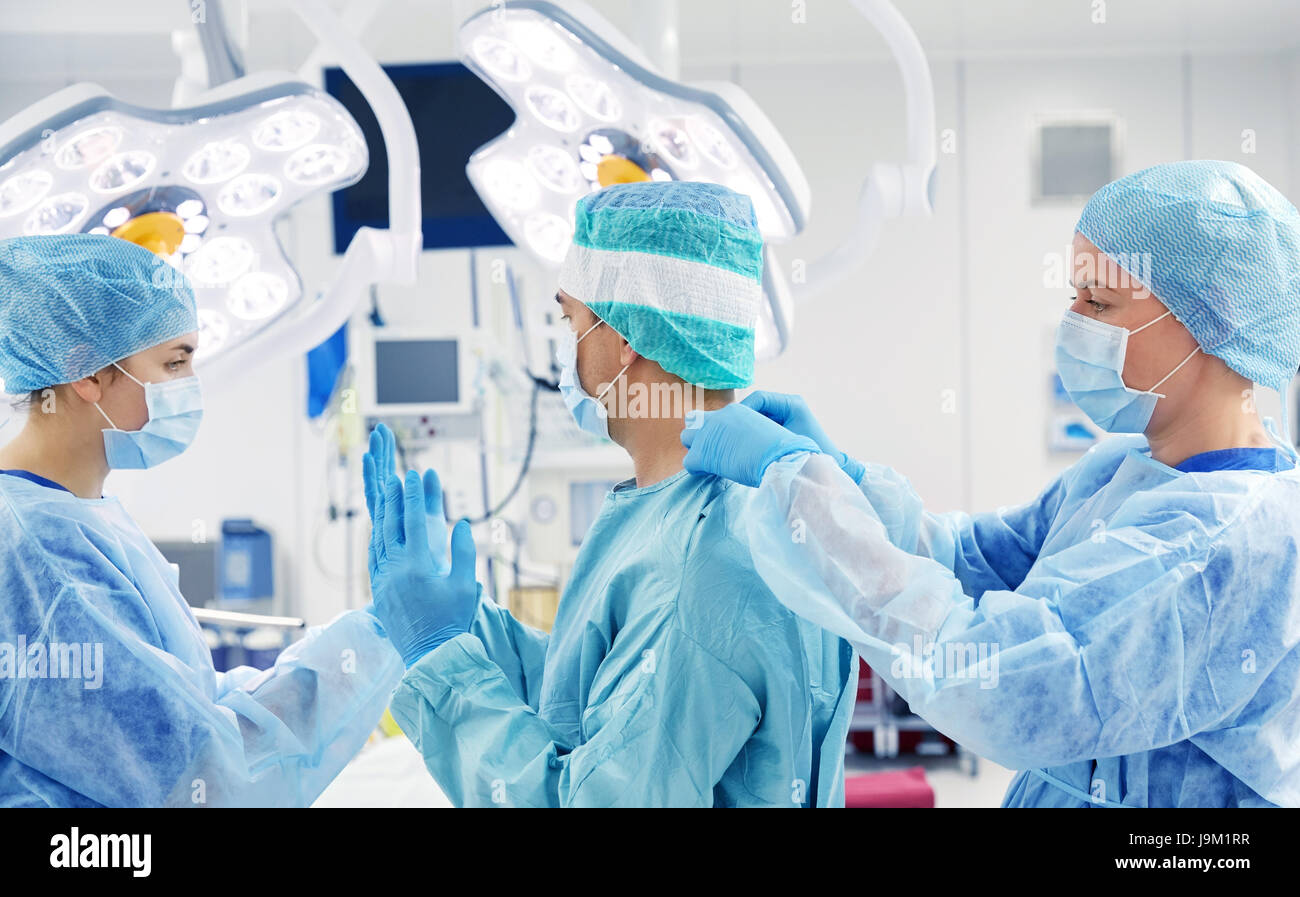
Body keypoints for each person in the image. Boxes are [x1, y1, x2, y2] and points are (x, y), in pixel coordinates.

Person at [680, 160, 1300, 808]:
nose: (1075, 321)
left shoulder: (1226, 546)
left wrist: (800, 486)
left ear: (1213, 317)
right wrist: (840, 474)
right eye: (1074, 296)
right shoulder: (1123, 469)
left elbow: (992, 678)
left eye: (1100, 302)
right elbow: (970, 560)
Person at [363, 181, 859, 807]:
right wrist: (470, 631)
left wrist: (440, 662)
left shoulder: (696, 569)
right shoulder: (733, 509)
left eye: (569, 319)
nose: (565, 348)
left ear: (625, 340)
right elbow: (602, 711)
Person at [0, 234, 402, 807]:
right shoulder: (39, 551)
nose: (189, 387)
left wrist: (372, 633)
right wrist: (381, 635)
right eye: (173, 362)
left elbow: (192, 710)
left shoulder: (82, 516)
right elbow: (200, 782)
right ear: (83, 370)